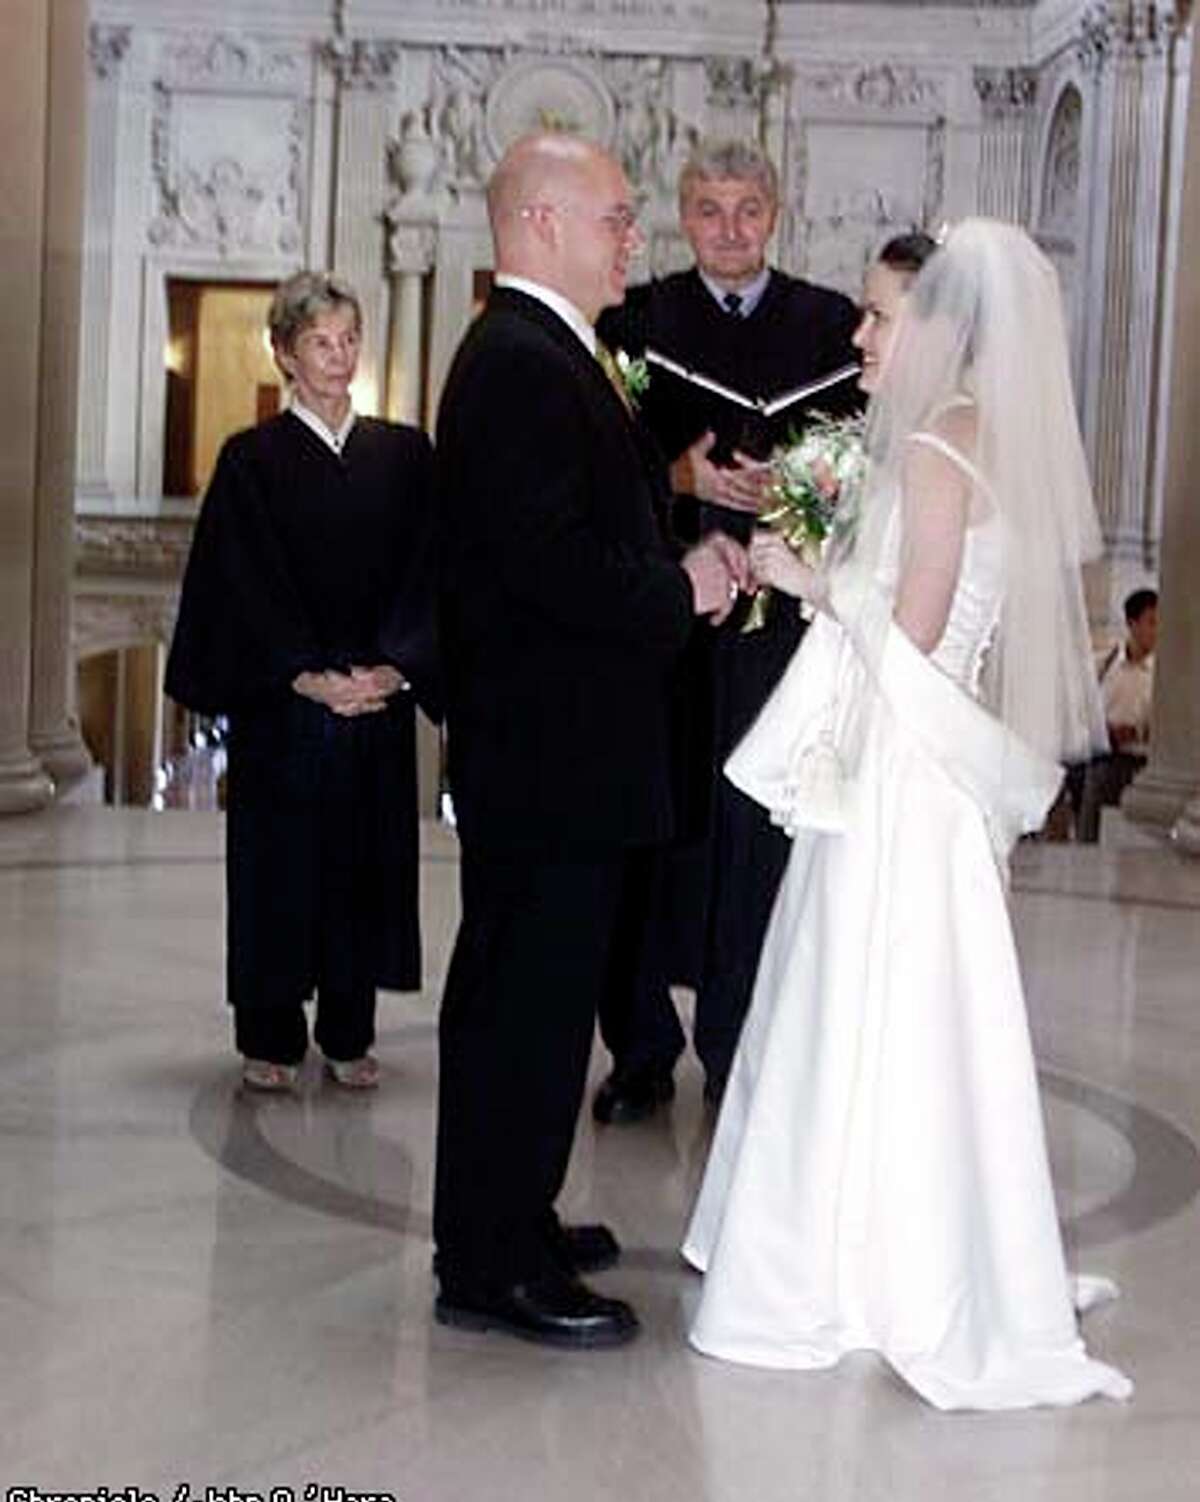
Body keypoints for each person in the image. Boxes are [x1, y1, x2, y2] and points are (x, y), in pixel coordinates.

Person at [682, 220, 1133, 1410]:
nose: (859, 333)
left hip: (902, 772)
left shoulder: (940, 448)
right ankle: (897, 1239)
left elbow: (916, 638)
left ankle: (851, 1263)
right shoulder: (969, 440)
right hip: (910, 770)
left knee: (867, 994)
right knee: (907, 1004)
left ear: (941, 328)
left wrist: (803, 578)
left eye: (881, 316)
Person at [432, 132, 749, 1348]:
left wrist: (674, 551)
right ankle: (489, 1261)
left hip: (562, 751)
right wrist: (686, 593)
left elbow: (582, 529)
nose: (636, 238)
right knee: (524, 1003)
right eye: (617, 219)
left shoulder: (550, 352)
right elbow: (549, 567)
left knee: (539, 999)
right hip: (548, 752)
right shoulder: (519, 362)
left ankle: (510, 1214)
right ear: (544, 226)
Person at [592, 139, 862, 1122]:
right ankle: (641, 1050)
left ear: (777, 212)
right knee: (650, 829)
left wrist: (793, 494)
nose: (730, 228)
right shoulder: (635, 326)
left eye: (748, 207)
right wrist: (680, 482)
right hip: (661, 626)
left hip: (774, 630)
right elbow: (595, 465)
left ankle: (742, 1044)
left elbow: (864, 465)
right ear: (682, 215)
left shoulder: (833, 329)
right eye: (709, 209)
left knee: (753, 837)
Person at [165, 271, 439, 1094]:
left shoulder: (404, 454)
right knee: (277, 867)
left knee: (365, 863)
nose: (339, 355)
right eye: (320, 341)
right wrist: (306, 677)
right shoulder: (251, 461)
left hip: (378, 701)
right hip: (286, 707)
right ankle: (271, 1031)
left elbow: (433, 570)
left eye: (350, 338)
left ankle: (350, 1031)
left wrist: (397, 664)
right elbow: (238, 586)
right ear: (283, 352)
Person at [1076, 587, 1158, 841]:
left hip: (1143, 764)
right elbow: (1084, 706)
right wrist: (1104, 730)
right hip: (1105, 762)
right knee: (1090, 830)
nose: (1156, 631)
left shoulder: (1161, 673)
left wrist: (1139, 731)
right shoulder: (1106, 663)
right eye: (1151, 622)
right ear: (1132, 624)